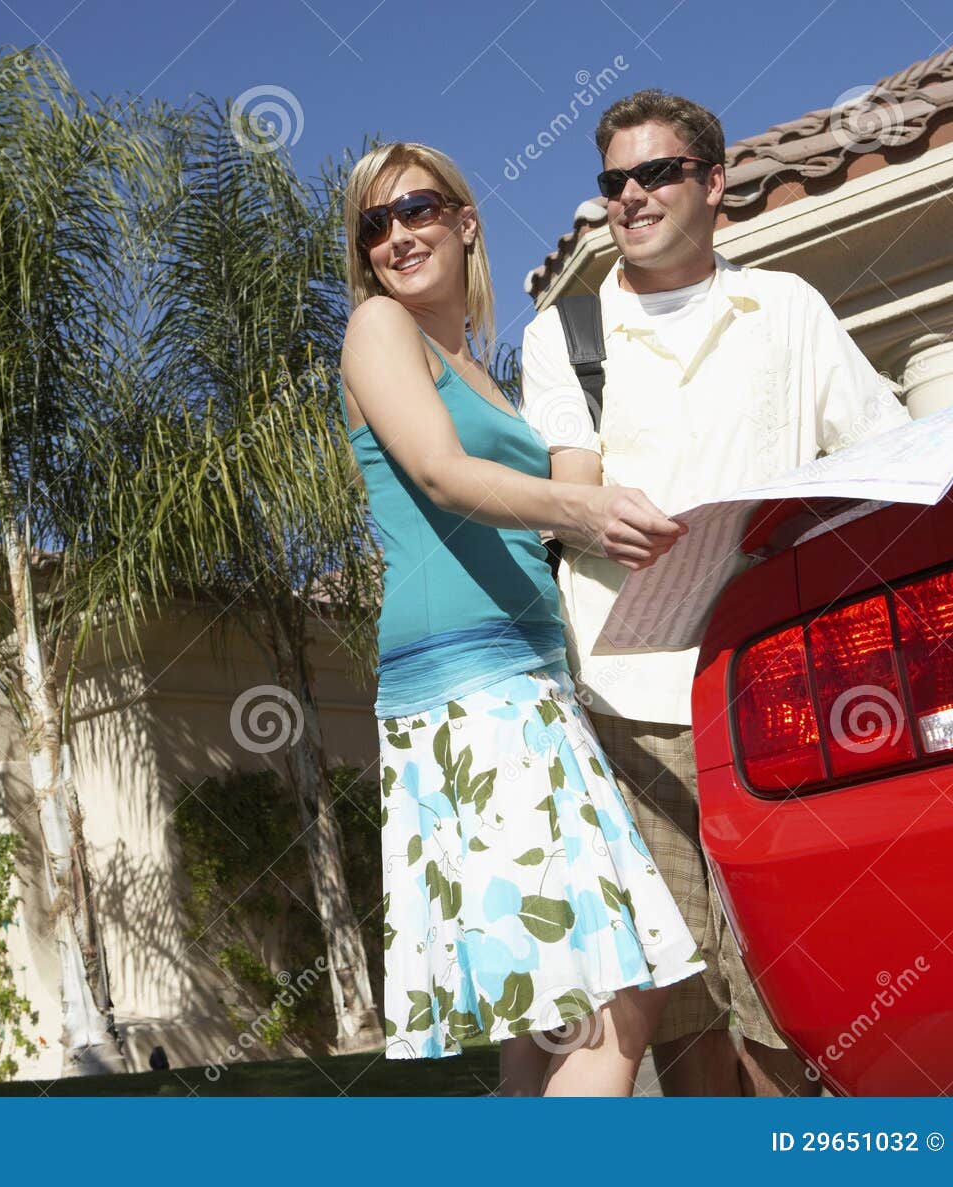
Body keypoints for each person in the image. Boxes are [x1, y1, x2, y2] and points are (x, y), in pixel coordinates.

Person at [520, 89, 912, 1096]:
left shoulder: (785, 308)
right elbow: (567, 487)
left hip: (770, 686)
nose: (631, 196)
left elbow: (881, 458)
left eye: (655, 173)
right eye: (614, 181)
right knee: (672, 992)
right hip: (625, 701)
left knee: (790, 977)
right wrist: (590, 511)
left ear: (711, 181)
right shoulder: (563, 333)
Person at [337, 140, 707, 1096]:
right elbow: (440, 473)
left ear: (465, 221)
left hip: (531, 683)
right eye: (374, 224)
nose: (396, 235)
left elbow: (543, 487)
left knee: (541, 1034)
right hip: (471, 693)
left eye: (416, 209)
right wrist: (585, 509)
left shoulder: (484, 369)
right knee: (612, 999)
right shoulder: (380, 328)